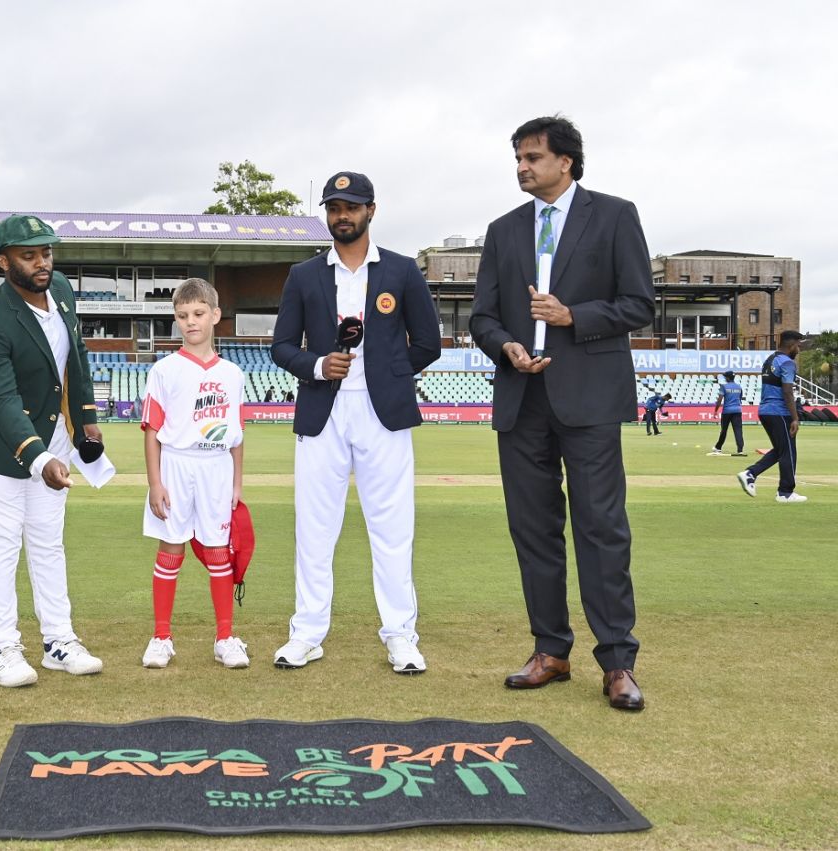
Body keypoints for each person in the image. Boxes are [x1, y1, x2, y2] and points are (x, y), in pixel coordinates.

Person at [469, 116, 655, 711]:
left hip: (591, 397)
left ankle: (618, 662)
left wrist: (575, 316)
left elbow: (640, 304)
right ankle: (550, 650)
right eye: (518, 158)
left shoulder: (615, 215)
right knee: (533, 530)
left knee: (602, 527)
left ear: (566, 162)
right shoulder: (503, 230)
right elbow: (482, 316)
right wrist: (507, 347)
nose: (522, 167)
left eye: (532, 157)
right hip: (522, 400)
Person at [270, 171, 440, 674]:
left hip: (382, 415)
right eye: (333, 207)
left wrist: (387, 375)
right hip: (323, 411)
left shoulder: (403, 272)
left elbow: (428, 344)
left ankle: (400, 636)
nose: (341, 216)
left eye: (351, 206)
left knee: (392, 529)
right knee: (315, 529)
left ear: (371, 210)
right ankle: (307, 633)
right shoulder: (304, 276)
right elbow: (281, 346)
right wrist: (320, 365)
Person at [0, 214, 104, 688]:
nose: (42, 263)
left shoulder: (65, 292)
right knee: (3, 545)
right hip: (0, 450)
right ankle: (3, 648)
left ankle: (59, 641)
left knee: (49, 544)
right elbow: (1, 399)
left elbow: (78, 357)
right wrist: (38, 459)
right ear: (3, 261)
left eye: (47, 252)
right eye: (29, 255)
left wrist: (87, 419)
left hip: (54, 439)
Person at [139, 279, 248, 670]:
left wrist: (237, 481)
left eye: (199, 314)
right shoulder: (164, 371)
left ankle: (225, 638)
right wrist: (155, 482)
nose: (191, 322)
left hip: (216, 468)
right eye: (182, 316)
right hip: (175, 464)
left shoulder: (233, 374)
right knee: (172, 548)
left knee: (219, 550)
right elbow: (152, 431)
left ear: (215, 315)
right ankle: (161, 637)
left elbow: (236, 434)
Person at [737, 331, 807, 503]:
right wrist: (795, 418)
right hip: (780, 412)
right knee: (789, 452)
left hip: (765, 411)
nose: (799, 350)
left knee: (781, 450)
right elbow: (787, 391)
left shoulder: (770, 360)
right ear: (791, 345)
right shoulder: (788, 363)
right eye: (798, 346)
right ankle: (785, 492)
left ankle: (750, 474)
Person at [708, 370, 745, 455]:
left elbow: (719, 400)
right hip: (737, 410)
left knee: (724, 430)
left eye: (725, 377)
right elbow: (740, 399)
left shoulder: (724, 386)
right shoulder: (739, 387)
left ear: (727, 378)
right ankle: (740, 450)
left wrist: (715, 411)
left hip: (727, 411)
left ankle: (718, 447)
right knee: (738, 430)